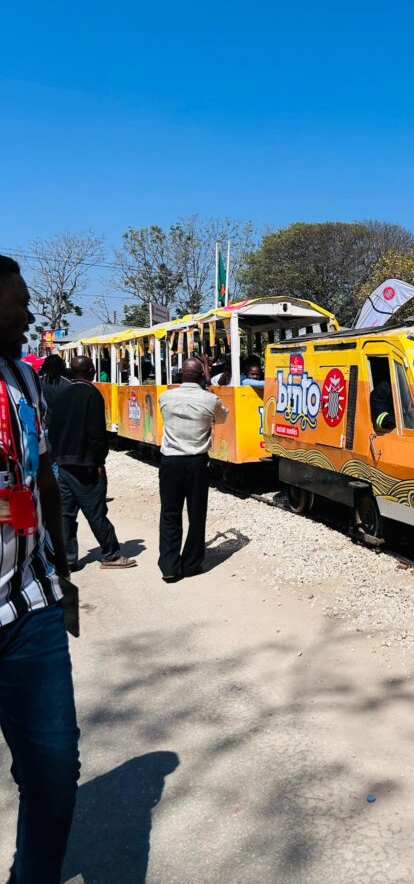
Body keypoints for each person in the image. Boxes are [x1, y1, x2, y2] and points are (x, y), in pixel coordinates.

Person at [0, 255, 80, 883]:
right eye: (17, 304)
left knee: (53, 772)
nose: (29, 317)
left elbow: (44, 478)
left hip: (30, 603)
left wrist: (62, 573)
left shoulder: (24, 384)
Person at [47, 355, 137, 571]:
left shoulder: (61, 395)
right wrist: (99, 460)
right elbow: (96, 433)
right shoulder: (92, 394)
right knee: (95, 511)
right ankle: (111, 554)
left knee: (66, 514)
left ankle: (67, 559)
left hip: (63, 462)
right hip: (86, 463)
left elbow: (52, 427)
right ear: (90, 371)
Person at [157, 357, 228, 582]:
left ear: (180, 374)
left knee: (170, 513)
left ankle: (169, 566)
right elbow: (223, 417)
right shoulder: (210, 399)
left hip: (170, 462)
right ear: (201, 377)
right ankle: (191, 563)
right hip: (197, 463)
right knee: (196, 514)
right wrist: (208, 386)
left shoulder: (165, 397)